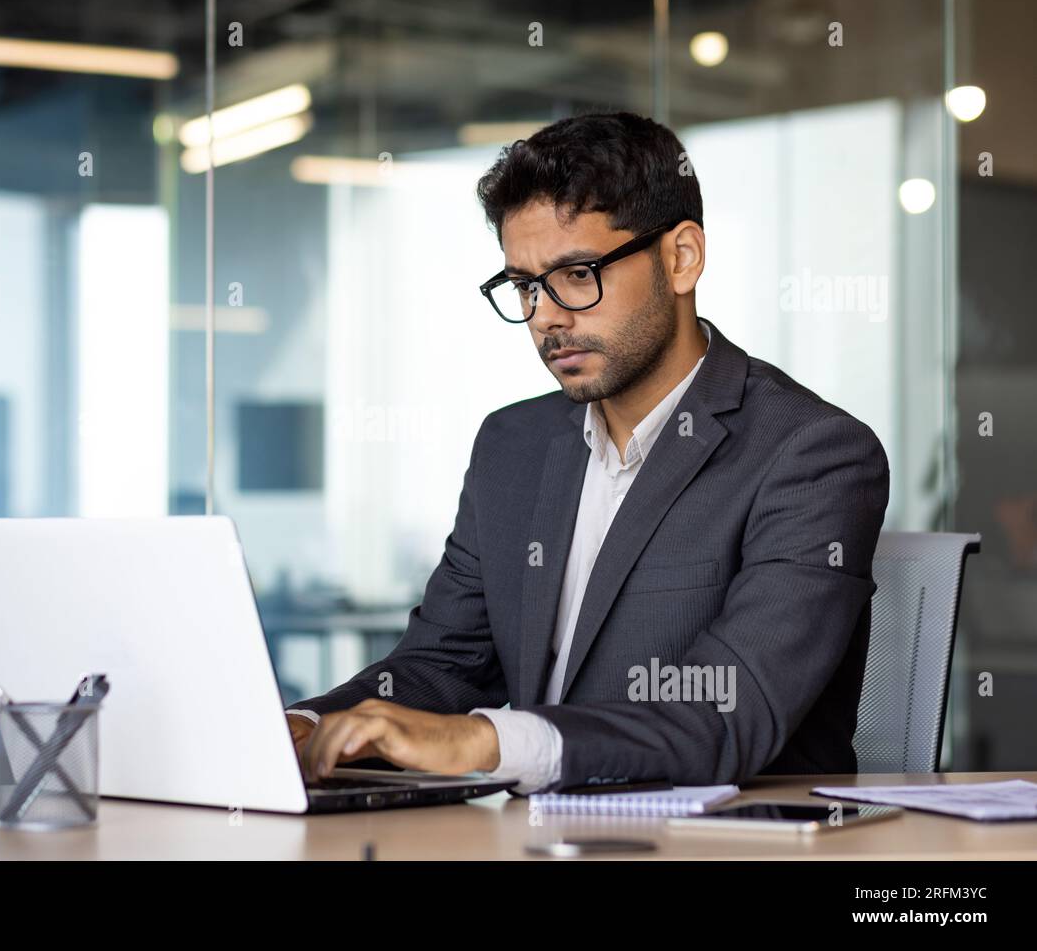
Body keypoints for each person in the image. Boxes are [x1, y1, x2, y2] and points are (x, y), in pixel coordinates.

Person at [288, 111, 889, 794]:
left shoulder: (812, 454)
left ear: (681, 257)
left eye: (577, 273)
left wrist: (486, 738)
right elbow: (442, 664)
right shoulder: (512, 446)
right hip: (546, 838)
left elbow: (726, 714)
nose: (546, 315)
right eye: (524, 285)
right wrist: (305, 725)